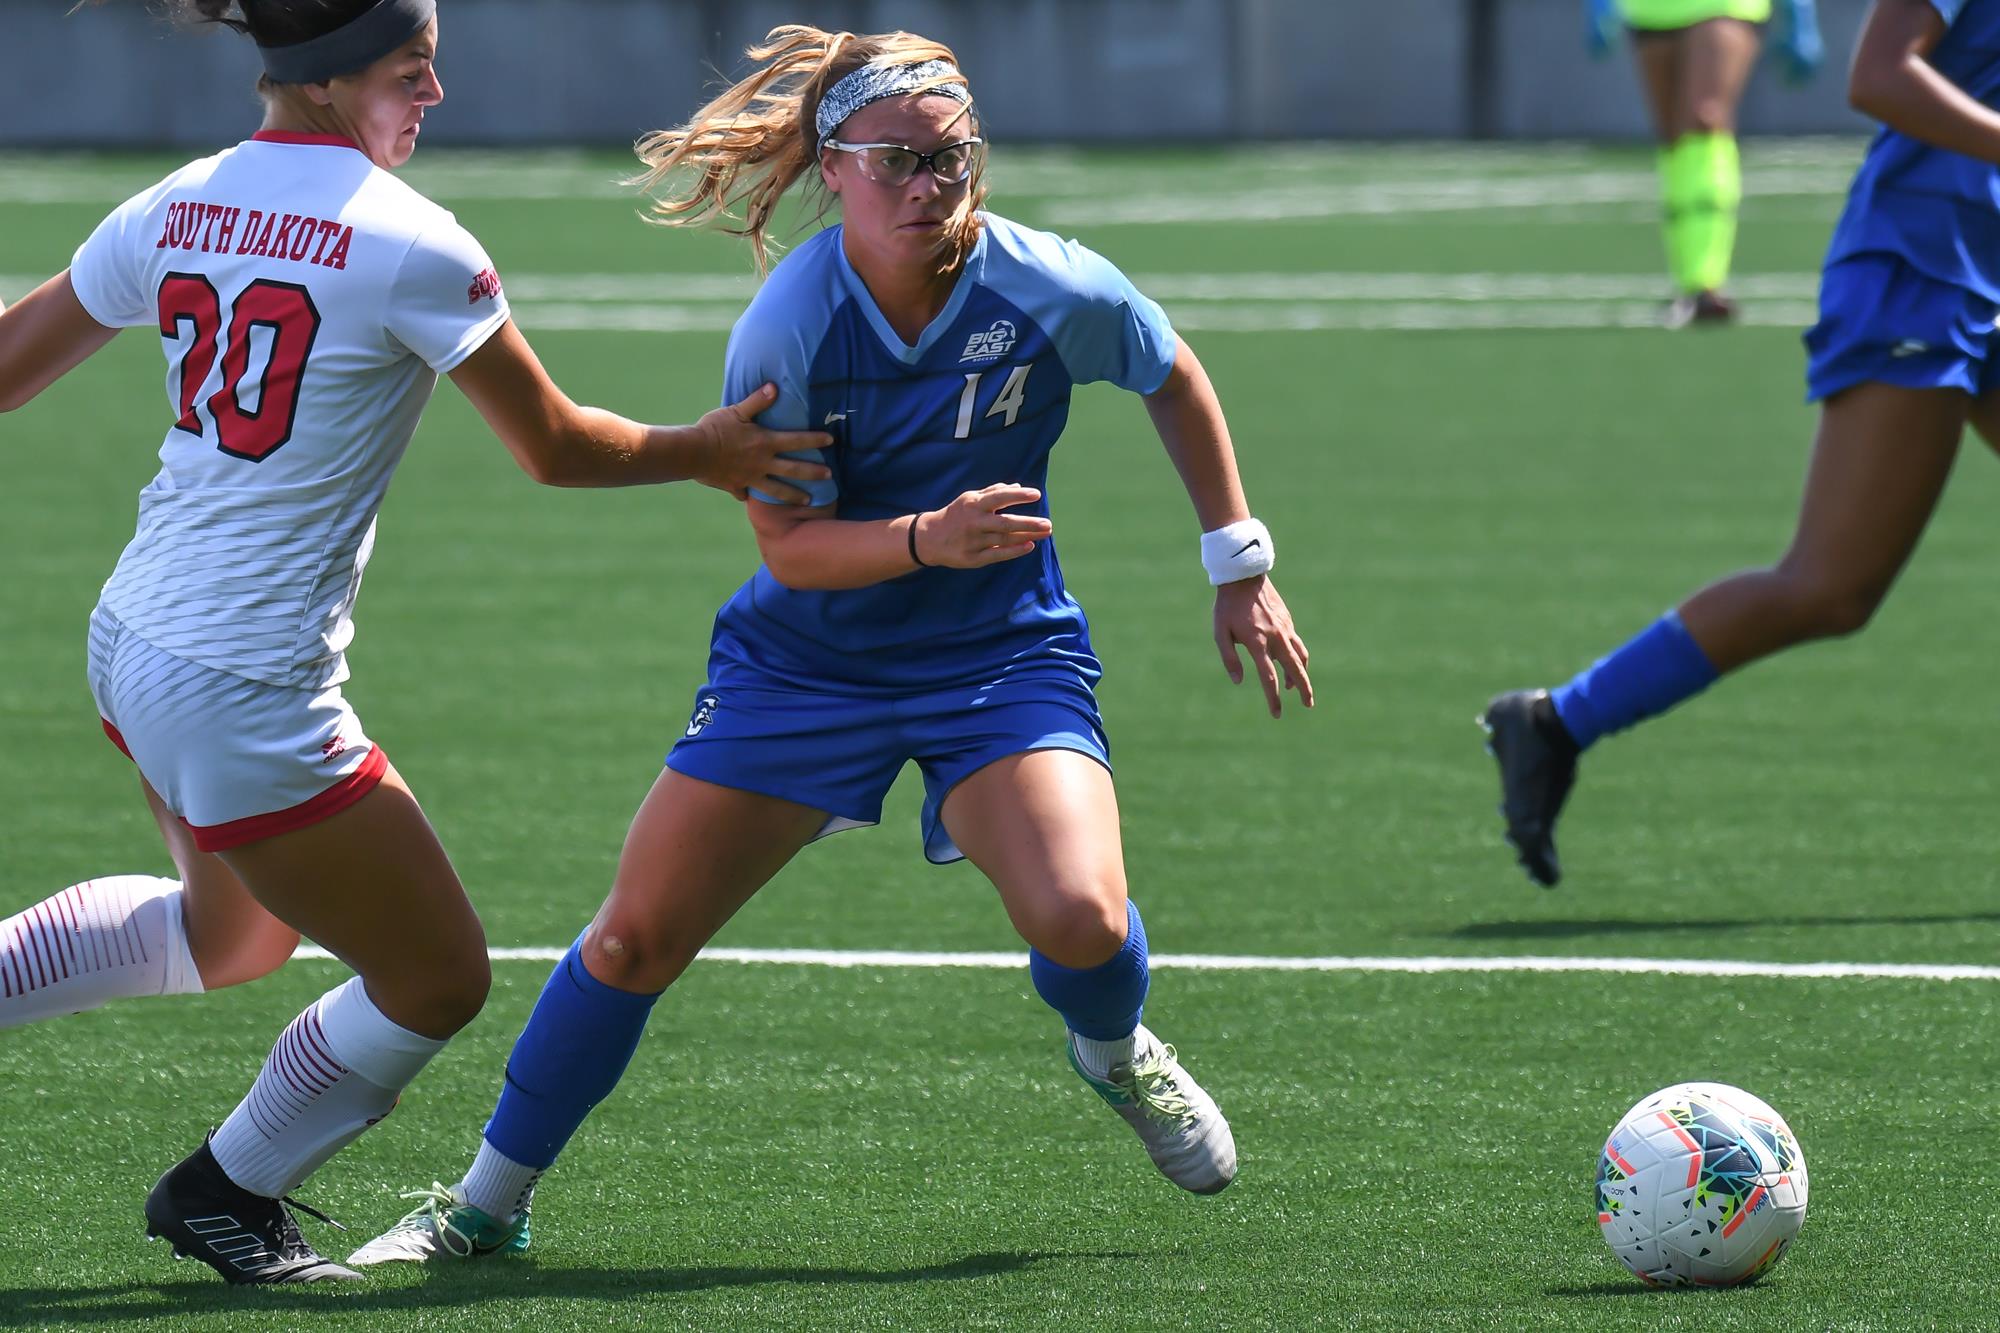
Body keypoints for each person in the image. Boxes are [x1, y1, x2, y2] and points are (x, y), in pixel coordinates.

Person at [345, 24, 1313, 1265]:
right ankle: (484, 1202)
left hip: (999, 657)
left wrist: (1238, 564)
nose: (927, 187)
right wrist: (927, 537)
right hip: (806, 665)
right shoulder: (790, 324)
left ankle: (1114, 1049)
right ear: (833, 170)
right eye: (895, 162)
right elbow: (790, 549)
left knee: (1078, 914)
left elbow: (1168, 369)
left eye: (950, 160)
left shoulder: (1047, 282)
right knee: (633, 939)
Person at [0, 0, 827, 1285]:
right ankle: (225, 1191)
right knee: (436, 977)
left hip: (133, 638)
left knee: (233, 941)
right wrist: (704, 454)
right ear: (327, 81)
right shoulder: (406, 240)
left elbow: (4, 366)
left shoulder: (177, 202)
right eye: (410, 67)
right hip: (241, 684)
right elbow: (553, 447)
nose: (435, 92)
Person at [1489, 0, 2000, 885]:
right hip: (1925, 267)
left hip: (1982, 256)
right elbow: (1879, 74)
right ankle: (1555, 722)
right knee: (1830, 587)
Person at [1585, 0, 1823, 325]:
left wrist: (1799, 11)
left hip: (1724, 6)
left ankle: (1707, 281)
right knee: (1674, 139)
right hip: (1651, 10)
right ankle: (1688, 281)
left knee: (1705, 117)